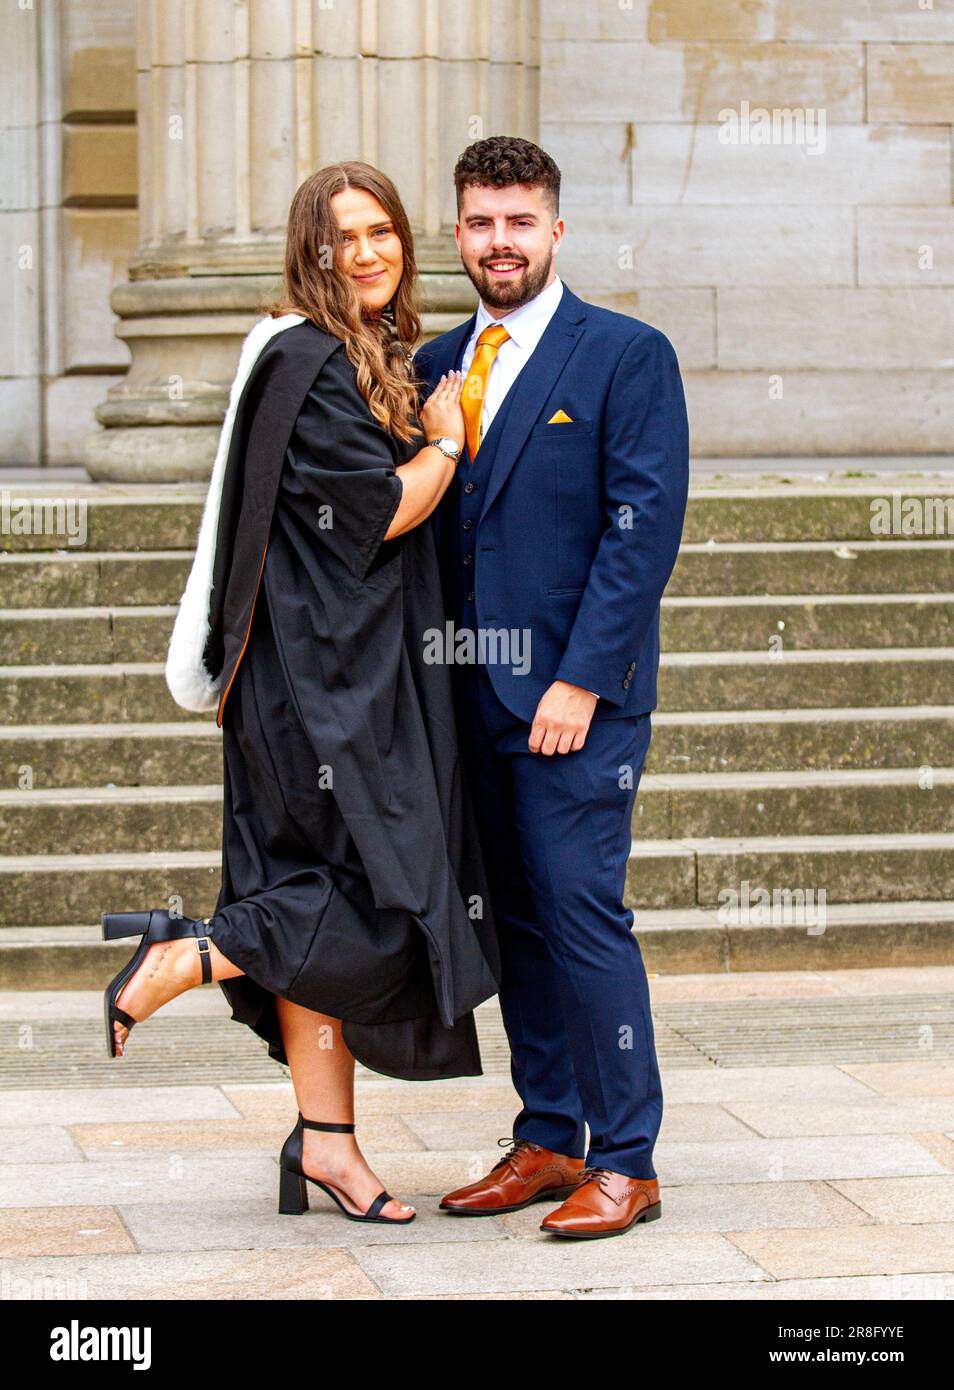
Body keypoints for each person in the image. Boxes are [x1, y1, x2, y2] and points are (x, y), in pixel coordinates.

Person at [100, 161, 500, 1227]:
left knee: (324, 886)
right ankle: (193, 949)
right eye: (343, 238)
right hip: (322, 696)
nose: (368, 252)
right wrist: (449, 441)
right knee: (390, 894)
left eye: (383, 232)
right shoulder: (312, 362)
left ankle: (327, 1144)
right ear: (309, 254)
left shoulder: (344, 355)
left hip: (331, 681)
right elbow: (378, 512)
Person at [413, 135, 690, 1239]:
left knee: (583, 918)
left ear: (556, 230)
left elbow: (641, 536)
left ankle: (629, 1158)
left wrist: (580, 681)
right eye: (481, 222)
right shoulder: (435, 362)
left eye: (519, 222)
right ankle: (548, 1136)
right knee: (513, 922)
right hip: (466, 702)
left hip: (578, 706)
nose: (500, 242)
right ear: (460, 233)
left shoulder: (625, 355)